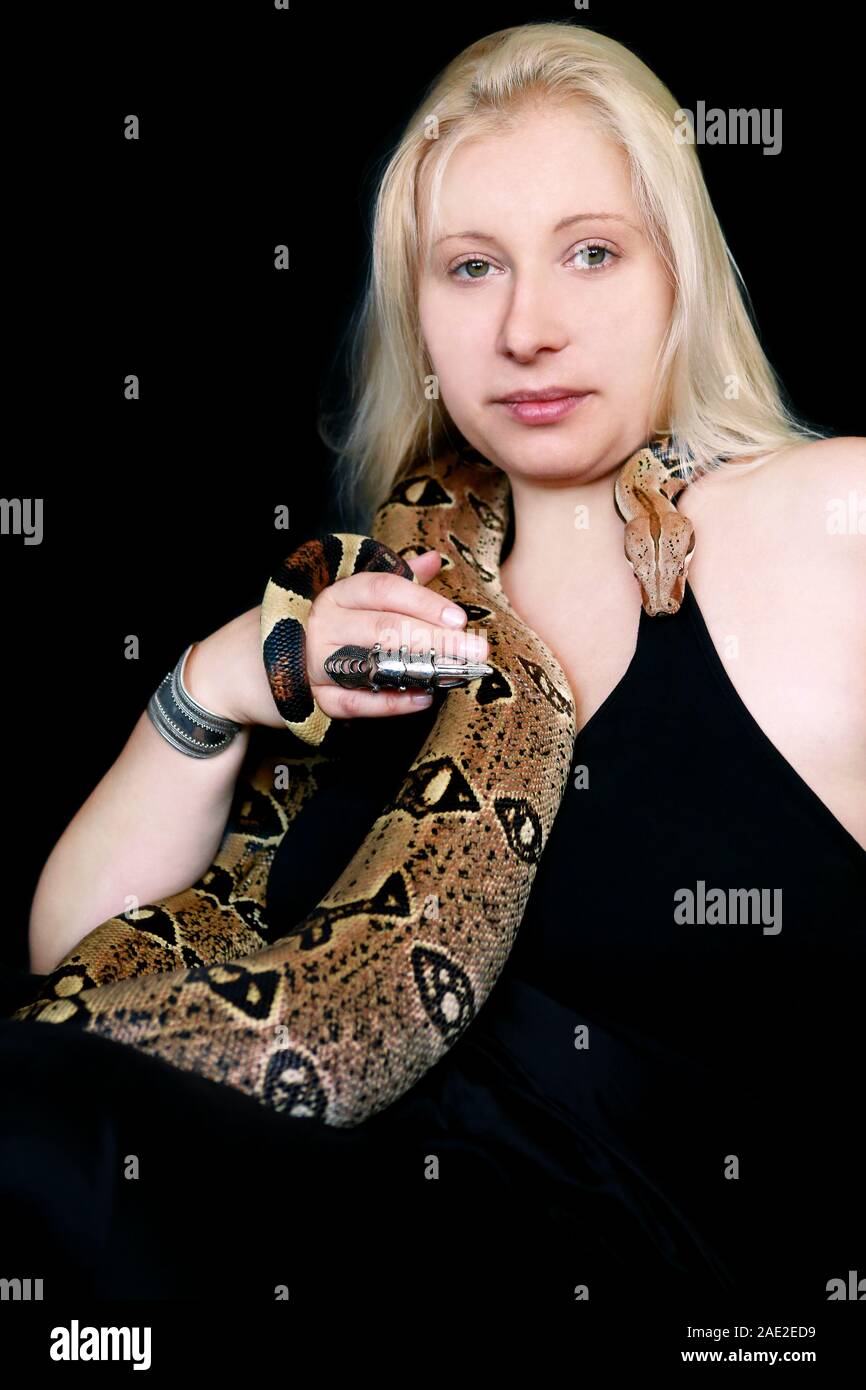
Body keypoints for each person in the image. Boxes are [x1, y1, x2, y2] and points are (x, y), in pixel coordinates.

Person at [3, 22, 864, 1311]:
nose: (529, 326)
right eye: (472, 267)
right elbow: (79, 963)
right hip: (295, 1236)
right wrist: (235, 674)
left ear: (681, 275)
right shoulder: (371, 609)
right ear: (418, 311)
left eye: (591, 252)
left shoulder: (832, 521)